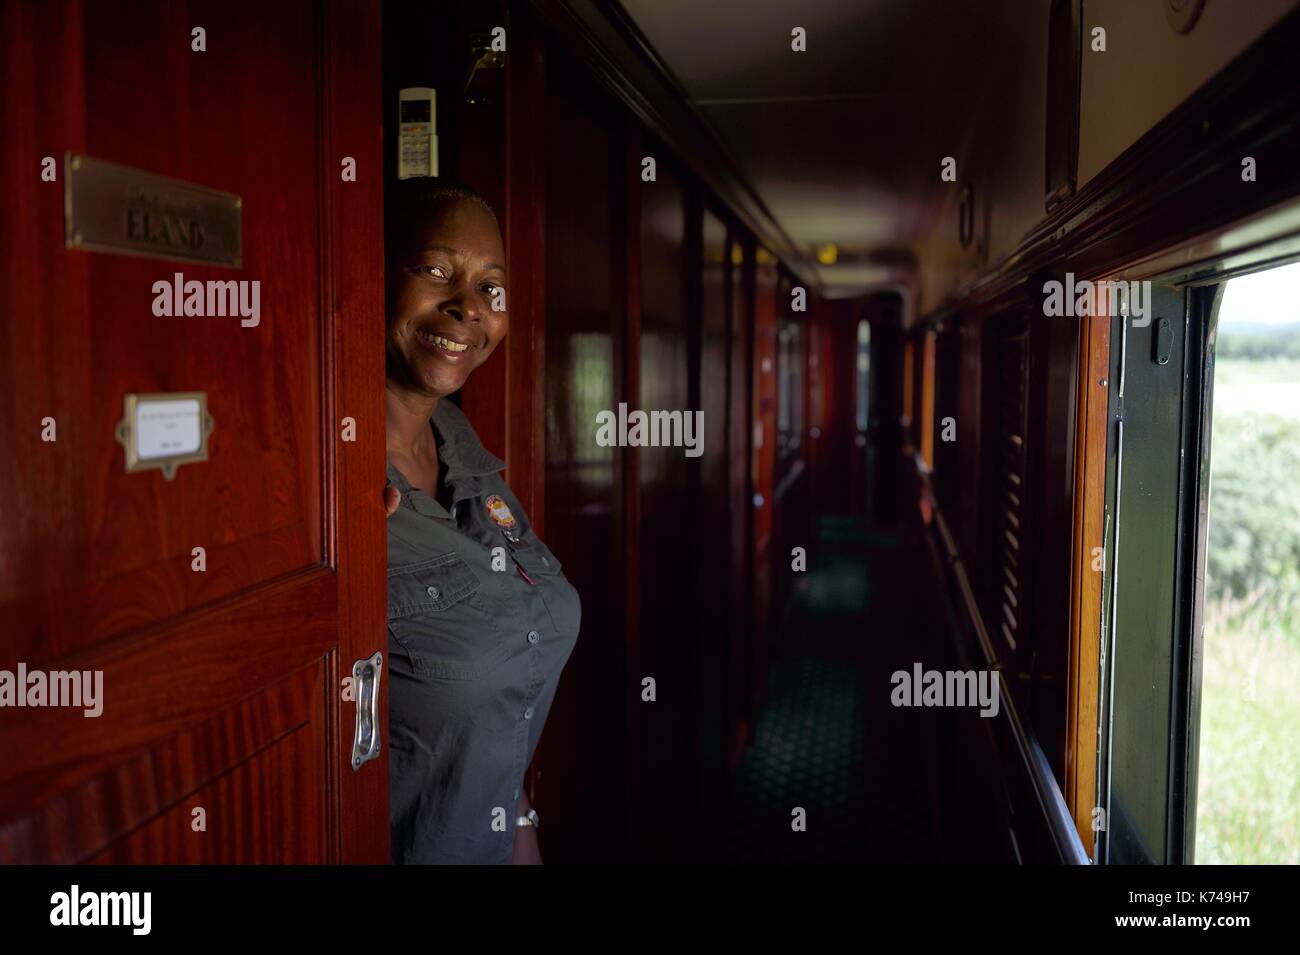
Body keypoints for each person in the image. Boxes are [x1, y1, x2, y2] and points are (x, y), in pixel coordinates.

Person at [382, 182, 580, 864]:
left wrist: (520, 823)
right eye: (435, 270)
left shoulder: (456, 438)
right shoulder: (332, 491)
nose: (469, 305)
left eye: (490, 287)